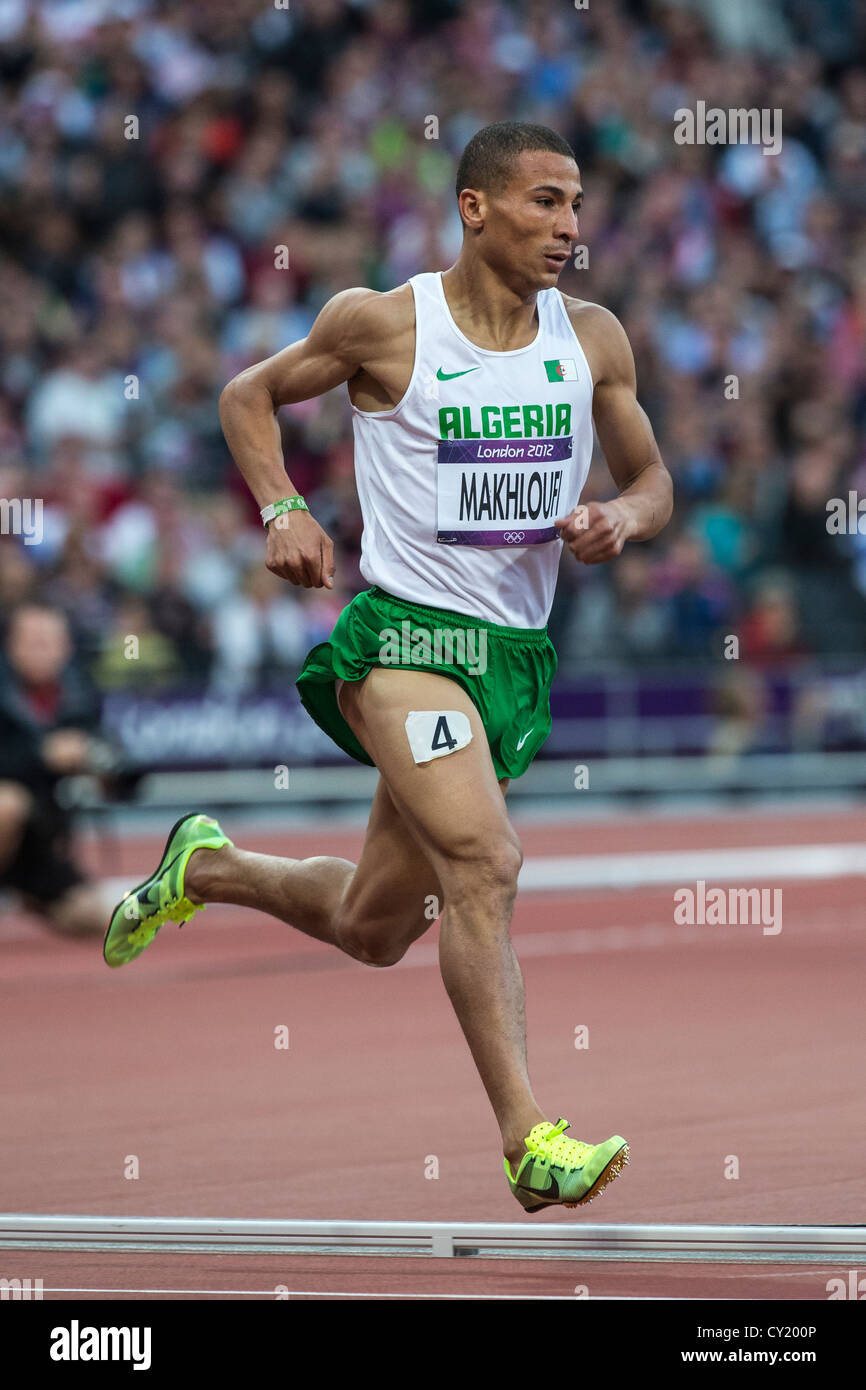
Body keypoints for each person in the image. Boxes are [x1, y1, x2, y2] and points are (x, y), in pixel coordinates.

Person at [104, 122, 673, 1213]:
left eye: (575, 206)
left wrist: (621, 518)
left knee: (375, 926)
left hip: (510, 657)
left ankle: (206, 866)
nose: (568, 227)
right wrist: (282, 509)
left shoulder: (592, 337)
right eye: (544, 202)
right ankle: (526, 1139)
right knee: (485, 864)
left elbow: (651, 479)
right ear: (474, 207)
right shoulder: (382, 323)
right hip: (404, 642)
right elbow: (245, 396)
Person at [0, 601, 116, 936]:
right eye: (34, 642)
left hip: (39, 842)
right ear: (11, 646)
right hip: (9, 817)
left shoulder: (78, 693)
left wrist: (102, 769)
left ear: (66, 646)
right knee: (7, 804)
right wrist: (42, 754)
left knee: (100, 918)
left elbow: (121, 766)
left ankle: (27, 893)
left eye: (52, 642)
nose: (44, 652)